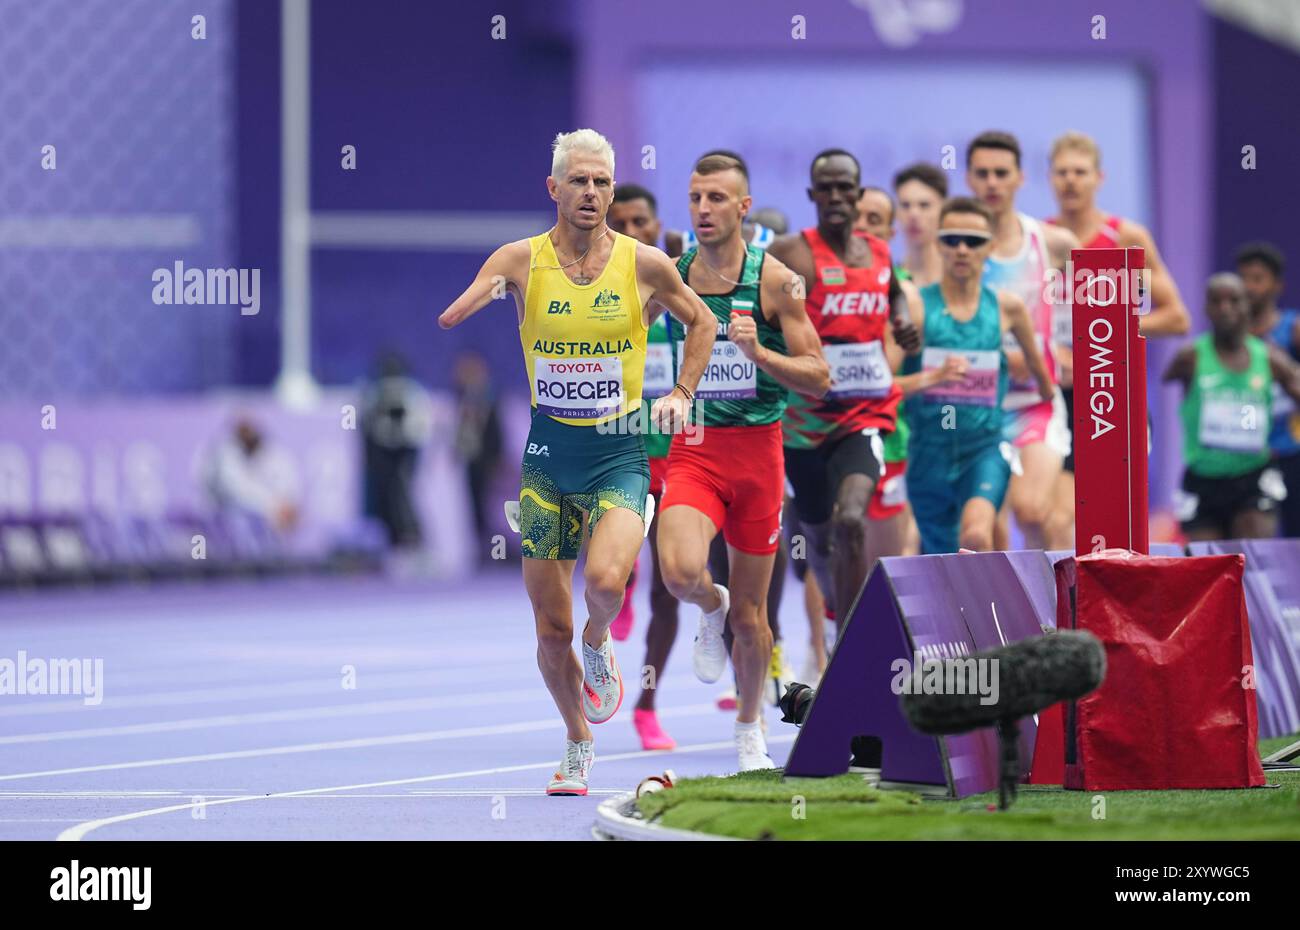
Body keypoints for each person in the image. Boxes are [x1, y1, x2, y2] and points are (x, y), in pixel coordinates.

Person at [437, 129, 716, 796]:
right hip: (548, 455)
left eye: (602, 182)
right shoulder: (520, 260)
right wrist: (475, 299)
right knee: (548, 624)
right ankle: (577, 740)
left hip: (619, 448)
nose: (591, 193)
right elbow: (456, 312)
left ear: (613, 190)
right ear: (553, 188)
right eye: (579, 181)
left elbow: (701, 323)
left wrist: (681, 393)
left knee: (604, 583)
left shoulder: (645, 263)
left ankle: (601, 639)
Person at [655, 151, 829, 771]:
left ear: (744, 207)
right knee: (678, 573)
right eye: (696, 197)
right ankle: (709, 604)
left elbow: (818, 376)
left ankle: (750, 729)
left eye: (717, 198)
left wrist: (761, 357)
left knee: (755, 618)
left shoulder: (776, 281)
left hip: (759, 460)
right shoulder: (668, 274)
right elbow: (625, 341)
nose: (703, 209)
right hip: (695, 452)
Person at [768, 149, 919, 644]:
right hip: (804, 427)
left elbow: (892, 288)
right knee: (820, 535)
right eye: (825, 188)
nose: (835, 196)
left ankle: (853, 643)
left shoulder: (877, 251)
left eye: (844, 188)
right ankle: (837, 604)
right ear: (812, 195)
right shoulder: (792, 254)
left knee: (852, 518)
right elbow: (763, 308)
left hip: (864, 416)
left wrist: (900, 318)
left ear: (858, 194)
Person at [1046, 130, 1191, 545]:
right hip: (1062, 395)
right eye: (1061, 173)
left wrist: (1105, 337)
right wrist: (1056, 352)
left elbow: (1176, 316)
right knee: (1057, 520)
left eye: (1080, 172)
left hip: (1113, 391)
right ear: (1050, 179)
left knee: (1114, 519)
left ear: (1099, 178)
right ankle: (1062, 608)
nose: (1070, 181)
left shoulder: (1125, 237)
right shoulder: (1040, 239)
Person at [903, 197, 1054, 553]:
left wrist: (1013, 371)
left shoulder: (1007, 307)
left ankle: (986, 611)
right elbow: (884, 386)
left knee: (975, 536)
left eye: (973, 241)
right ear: (937, 242)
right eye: (952, 239)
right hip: (928, 454)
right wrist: (933, 378)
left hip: (983, 449)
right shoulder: (915, 304)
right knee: (938, 556)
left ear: (991, 247)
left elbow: (1045, 384)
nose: (961, 250)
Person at [966, 130, 1077, 551]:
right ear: (970, 180)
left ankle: (1049, 614)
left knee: (1032, 511)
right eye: (982, 174)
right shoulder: (956, 247)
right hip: (976, 406)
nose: (992, 183)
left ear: (1020, 178)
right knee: (985, 528)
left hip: (1036, 402)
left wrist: (1073, 350)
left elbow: (1109, 300)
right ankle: (999, 615)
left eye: (1001, 173)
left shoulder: (1052, 242)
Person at [605, 182, 679, 750]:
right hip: (622, 448)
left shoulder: (681, 277)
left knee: (669, 590)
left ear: (657, 227)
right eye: (620, 222)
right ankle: (620, 582)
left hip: (679, 453)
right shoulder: (596, 283)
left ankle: (647, 706)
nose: (632, 232)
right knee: (614, 565)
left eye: (641, 222)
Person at [1164, 273, 1300, 541]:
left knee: (1250, 557)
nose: (1225, 308)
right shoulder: (1189, 357)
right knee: (1211, 569)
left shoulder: (1269, 357)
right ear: (1206, 308)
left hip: (1252, 477)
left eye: (1234, 300)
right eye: (1217, 301)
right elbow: (1151, 381)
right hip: (1203, 478)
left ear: (1247, 306)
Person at [1236, 242, 1300, 538]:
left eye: (1258, 279)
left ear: (1277, 285)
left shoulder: (1293, 329)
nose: (1249, 287)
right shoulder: (1228, 336)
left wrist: (1283, 370)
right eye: (1244, 278)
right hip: (1244, 456)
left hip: (1290, 451)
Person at [204, 418, 299, 535]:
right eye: (244, 432)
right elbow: (235, 490)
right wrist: (271, 506)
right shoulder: (226, 454)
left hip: (270, 515)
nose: (248, 435)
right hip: (230, 514)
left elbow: (289, 485)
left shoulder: (274, 453)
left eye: (250, 432)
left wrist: (283, 505)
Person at [445, 353, 494, 558]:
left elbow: (494, 433)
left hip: (486, 461)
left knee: (489, 504)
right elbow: (460, 431)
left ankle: (494, 549)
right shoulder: (461, 399)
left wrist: (495, 459)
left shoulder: (488, 400)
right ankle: (480, 548)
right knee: (473, 504)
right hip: (471, 460)